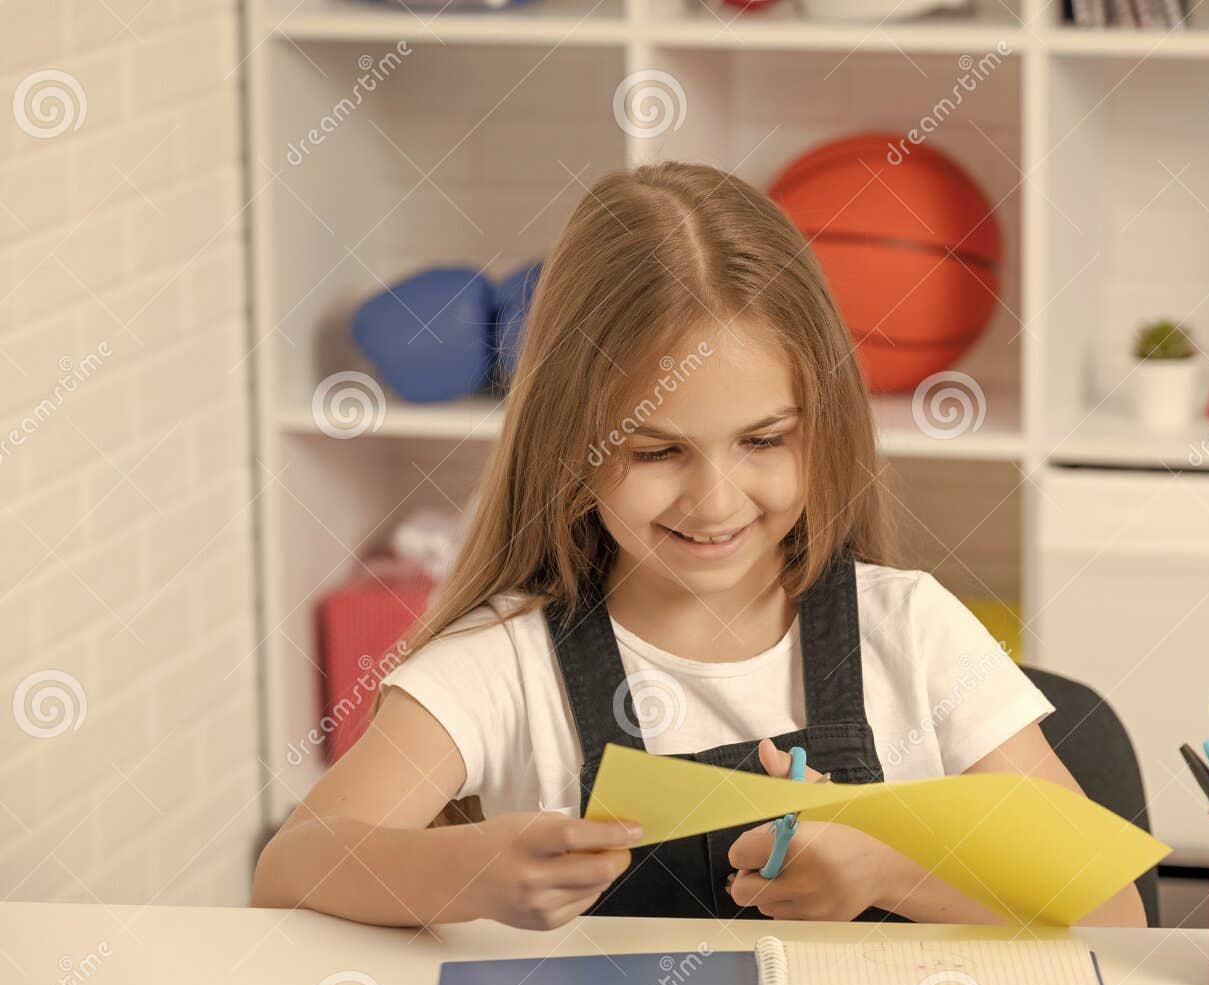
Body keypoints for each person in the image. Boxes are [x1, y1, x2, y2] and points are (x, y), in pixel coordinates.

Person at [252, 161, 1147, 931]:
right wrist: (471, 874)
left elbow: (1114, 910)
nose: (716, 501)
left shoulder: (910, 631)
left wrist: (889, 871)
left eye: (764, 441)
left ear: (822, 424)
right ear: (573, 443)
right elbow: (292, 870)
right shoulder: (504, 663)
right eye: (656, 451)